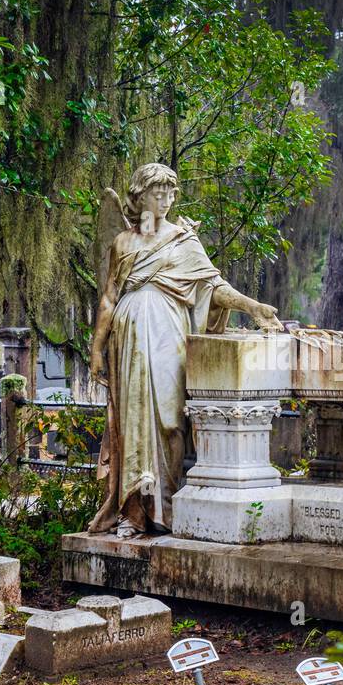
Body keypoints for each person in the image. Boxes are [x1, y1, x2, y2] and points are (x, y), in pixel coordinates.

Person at [87, 163, 283, 537]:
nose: (164, 198)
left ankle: (168, 503)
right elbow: (110, 298)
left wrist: (252, 307)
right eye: (156, 191)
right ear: (139, 196)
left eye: (170, 192)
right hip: (127, 339)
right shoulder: (123, 243)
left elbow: (214, 286)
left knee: (170, 419)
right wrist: (97, 348)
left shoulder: (183, 240)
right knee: (133, 421)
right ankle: (133, 511)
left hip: (168, 333)